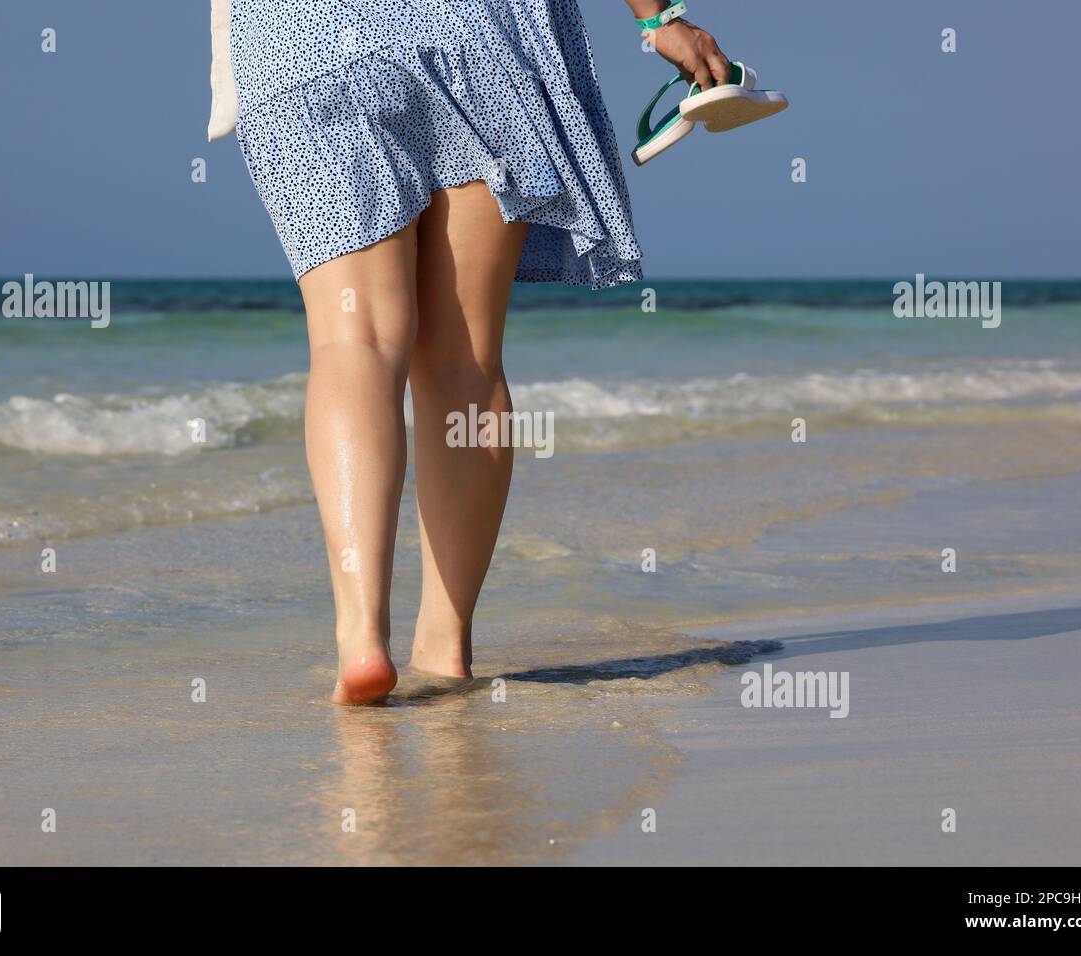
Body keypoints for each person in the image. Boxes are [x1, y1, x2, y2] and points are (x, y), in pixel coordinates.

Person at [225, 0, 732, 703]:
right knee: (465, 357)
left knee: (357, 342)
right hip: (473, 33)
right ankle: (445, 646)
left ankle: (362, 638)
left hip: (305, 41)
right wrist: (660, 19)